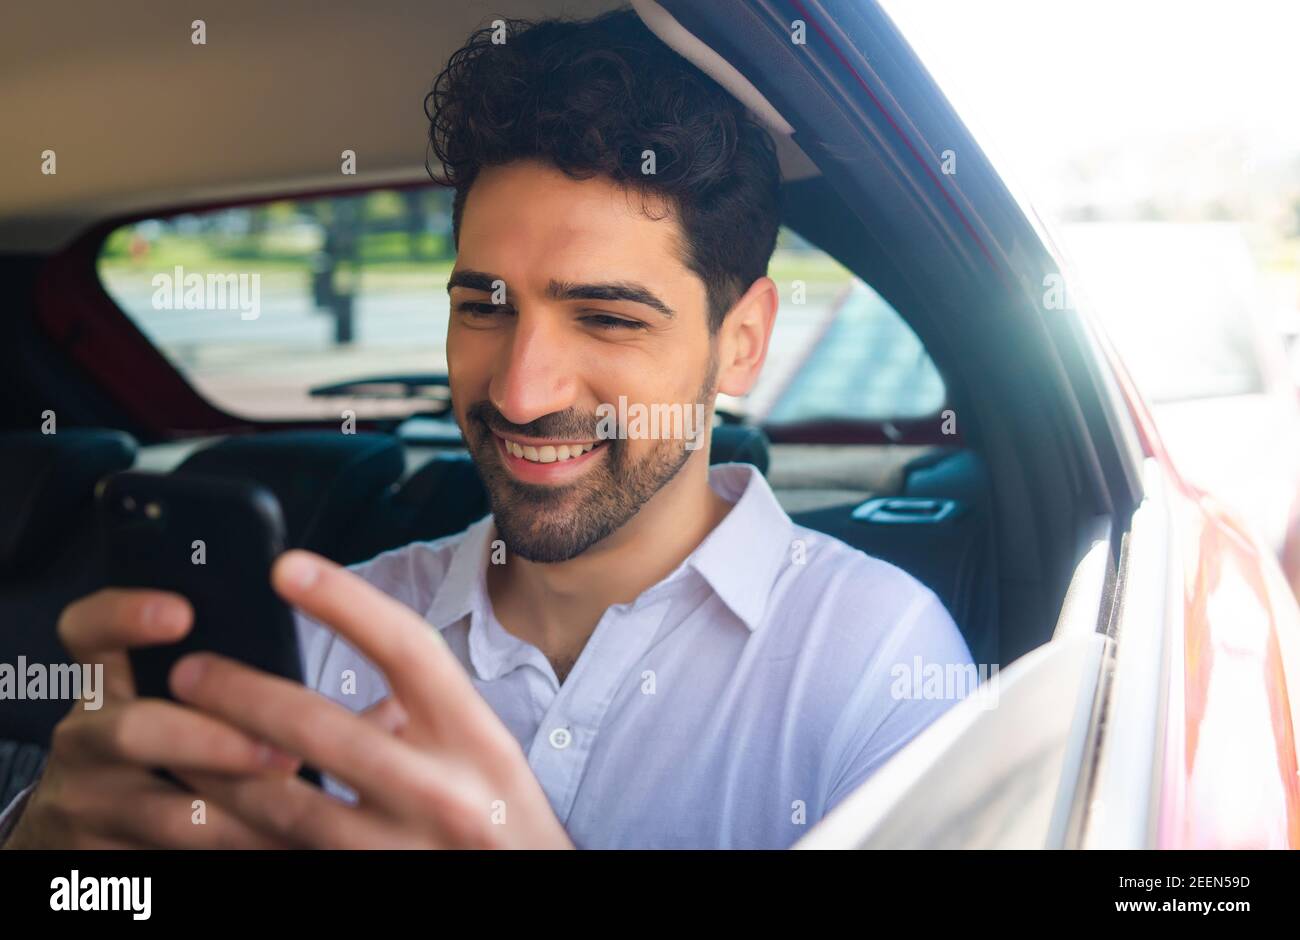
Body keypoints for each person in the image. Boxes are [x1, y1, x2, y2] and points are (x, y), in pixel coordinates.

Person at [0, 8, 974, 850]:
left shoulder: (871, 664)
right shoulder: (322, 635)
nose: (517, 391)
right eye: (485, 306)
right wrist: (55, 856)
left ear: (744, 342)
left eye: (606, 317)